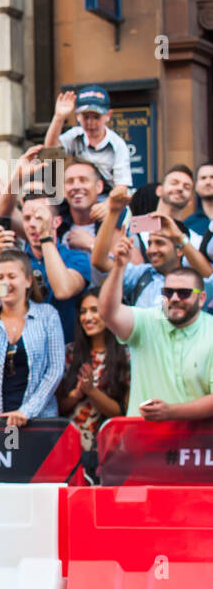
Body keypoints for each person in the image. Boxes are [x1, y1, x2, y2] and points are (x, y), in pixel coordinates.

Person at [99, 230, 213, 419]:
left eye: (184, 293)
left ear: (201, 299)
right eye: (168, 293)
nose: (175, 299)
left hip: (195, 444)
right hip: (144, 441)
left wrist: (171, 412)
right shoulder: (148, 321)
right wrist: (119, 266)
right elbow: (108, 313)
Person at [0, 250, 65, 423]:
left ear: (28, 281)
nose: (6, 282)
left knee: (18, 447)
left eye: (12, 276)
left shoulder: (47, 315)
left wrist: (26, 411)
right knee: (5, 447)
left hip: (34, 420)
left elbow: (55, 370)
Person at [90, 184, 212, 306]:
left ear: (179, 249)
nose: (152, 250)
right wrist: (114, 211)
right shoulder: (141, 275)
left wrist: (180, 238)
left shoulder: (193, 279)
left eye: (160, 243)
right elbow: (100, 262)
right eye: (149, 243)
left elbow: (209, 276)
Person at [57, 288, 129, 481]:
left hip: (111, 453)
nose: (88, 317)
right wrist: (78, 393)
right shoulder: (68, 353)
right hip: (71, 451)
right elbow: (59, 407)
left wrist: (92, 391)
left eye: (95, 310)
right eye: (83, 311)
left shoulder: (127, 355)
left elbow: (122, 413)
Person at [17, 196, 91, 343]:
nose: (32, 224)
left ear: (56, 222)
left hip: (67, 349)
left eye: (39, 218)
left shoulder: (76, 257)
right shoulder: (16, 261)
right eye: (27, 218)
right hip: (27, 350)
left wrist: (45, 237)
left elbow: (63, 290)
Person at [44, 86, 133, 188]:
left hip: (106, 196)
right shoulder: (74, 136)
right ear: (78, 116)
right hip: (76, 193)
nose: (91, 123)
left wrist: (106, 204)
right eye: (86, 117)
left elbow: (122, 186)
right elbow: (50, 153)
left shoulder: (118, 145)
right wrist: (59, 117)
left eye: (96, 117)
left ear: (108, 115)